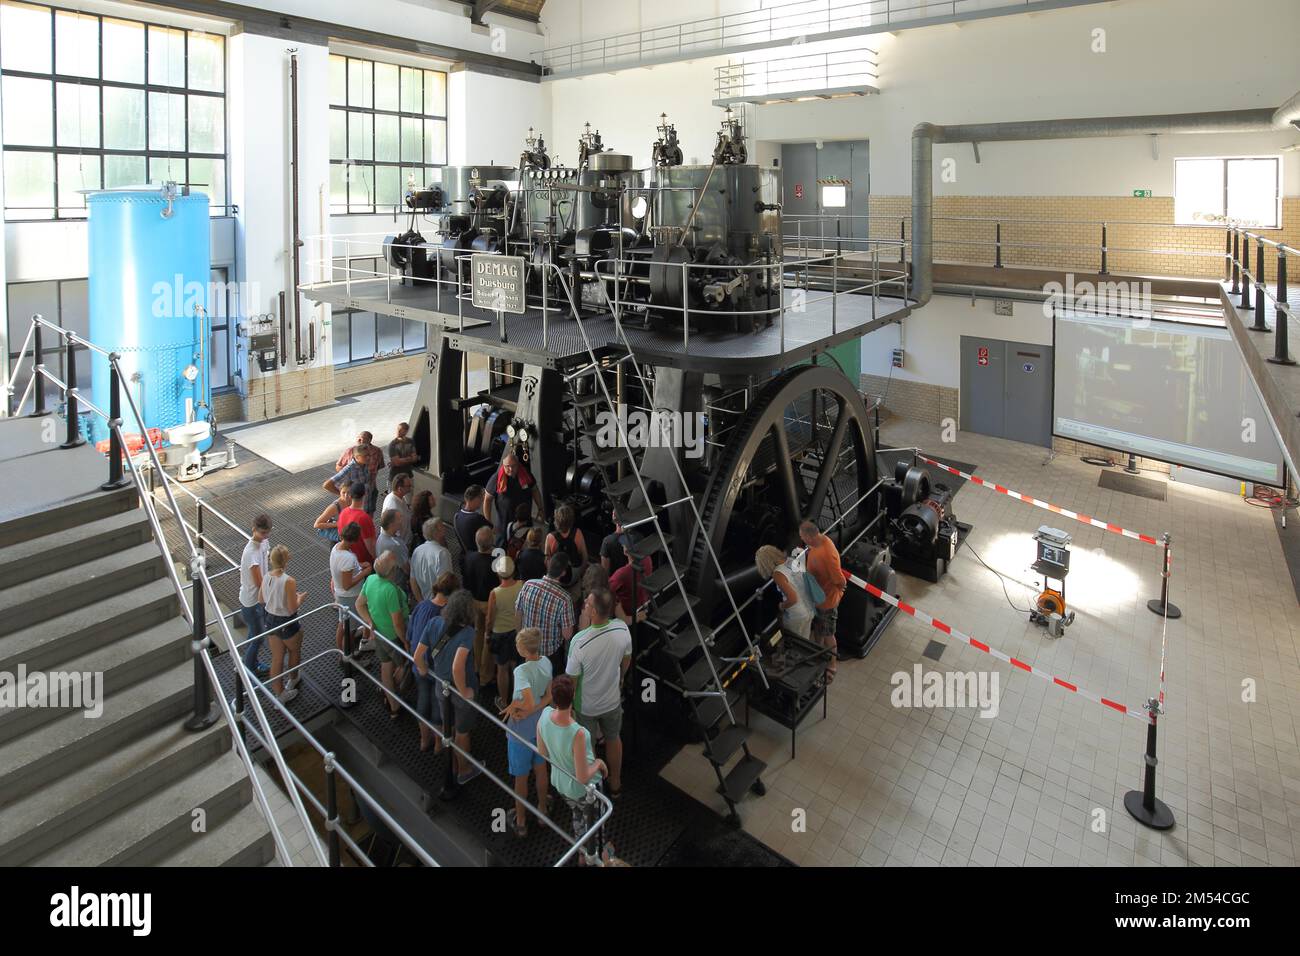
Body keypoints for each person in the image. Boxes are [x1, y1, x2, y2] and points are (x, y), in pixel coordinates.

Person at [566, 588, 631, 798]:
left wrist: (568, 709)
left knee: (588, 746)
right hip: (612, 701)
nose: (584, 602)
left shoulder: (579, 642)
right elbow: (626, 659)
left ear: (593, 612)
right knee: (613, 738)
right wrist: (620, 678)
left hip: (586, 706)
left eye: (587, 602)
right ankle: (616, 782)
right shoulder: (622, 630)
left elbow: (572, 681)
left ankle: (595, 787)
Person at [415, 589, 481, 796]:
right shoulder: (468, 633)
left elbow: (418, 656)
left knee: (447, 726)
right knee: (462, 731)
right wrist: (465, 691)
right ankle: (464, 770)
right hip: (458, 689)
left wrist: (424, 670)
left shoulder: (434, 623)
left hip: (439, 686)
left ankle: (452, 762)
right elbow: (457, 667)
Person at [536, 674, 607, 860]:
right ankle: (595, 855)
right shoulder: (578, 733)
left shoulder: (543, 715)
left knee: (577, 816)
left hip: (561, 785)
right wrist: (599, 763)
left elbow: (542, 752)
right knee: (596, 822)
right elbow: (583, 777)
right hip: (583, 788)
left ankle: (582, 854)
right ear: (573, 696)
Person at [500, 627, 551, 839]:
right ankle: (542, 809)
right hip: (539, 727)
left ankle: (520, 820)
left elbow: (528, 701)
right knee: (541, 769)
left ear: (523, 649)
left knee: (520, 776)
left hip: (521, 731)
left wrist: (520, 711)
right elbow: (548, 697)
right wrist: (526, 708)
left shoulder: (520, 671)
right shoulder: (546, 662)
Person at [357, 551, 409, 719]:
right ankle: (394, 691)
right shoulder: (391, 591)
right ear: (392, 572)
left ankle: (393, 703)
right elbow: (398, 623)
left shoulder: (371, 579)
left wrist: (370, 623)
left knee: (386, 666)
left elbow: (360, 604)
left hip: (380, 634)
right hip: (393, 637)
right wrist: (405, 642)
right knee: (404, 666)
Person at [408, 571, 457, 751]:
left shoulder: (421, 607)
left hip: (418, 665)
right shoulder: (444, 618)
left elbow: (411, 633)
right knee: (439, 705)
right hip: (436, 670)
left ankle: (424, 739)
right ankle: (438, 744)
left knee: (422, 700)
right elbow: (442, 647)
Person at [800, 520, 845, 683]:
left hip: (826, 603)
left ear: (810, 537)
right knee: (818, 631)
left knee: (828, 635)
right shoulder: (818, 543)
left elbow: (839, 580)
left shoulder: (828, 554)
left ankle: (832, 666)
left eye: (802, 537)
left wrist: (839, 593)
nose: (802, 540)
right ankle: (817, 656)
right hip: (818, 599)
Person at [516, 553, 576, 676]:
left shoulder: (528, 585)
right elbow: (567, 634)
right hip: (550, 655)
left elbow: (518, 614)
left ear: (548, 563)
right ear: (563, 573)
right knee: (548, 689)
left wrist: (520, 638)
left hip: (527, 648)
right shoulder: (564, 599)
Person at [262, 545, 308, 704]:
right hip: (287, 622)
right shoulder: (288, 581)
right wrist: (300, 598)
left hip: (270, 621)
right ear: (286, 560)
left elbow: (261, 600)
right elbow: (292, 608)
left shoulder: (266, 576)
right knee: (294, 651)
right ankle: (293, 678)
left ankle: (280, 694)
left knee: (277, 658)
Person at [463, 525, 499, 691]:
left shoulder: (468, 557)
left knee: (477, 634)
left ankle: (476, 667)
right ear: (491, 543)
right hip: (488, 604)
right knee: (488, 637)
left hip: (473, 601)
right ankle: (486, 676)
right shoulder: (495, 563)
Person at [237, 515, 273, 679]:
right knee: (257, 638)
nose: (265, 536)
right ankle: (248, 670)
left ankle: (251, 663)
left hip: (259, 598)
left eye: (267, 533)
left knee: (255, 634)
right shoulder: (251, 553)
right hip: (252, 602)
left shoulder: (264, 543)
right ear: (254, 530)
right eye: (262, 533)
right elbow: (259, 582)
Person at [754, 544, 815, 640]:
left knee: (794, 645)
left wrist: (781, 606)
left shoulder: (778, 574)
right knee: (804, 643)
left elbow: (793, 598)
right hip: (809, 608)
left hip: (796, 615)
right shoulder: (791, 561)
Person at [330, 522, 372, 661]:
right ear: (355, 539)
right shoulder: (348, 558)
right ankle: (349, 657)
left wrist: (359, 565)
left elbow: (344, 569)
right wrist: (364, 572)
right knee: (350, 630)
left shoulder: (336, 548)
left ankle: (341, 652)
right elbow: (347, 584)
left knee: (342, 624)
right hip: (350, 596)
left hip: (340, 594)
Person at [485, 554, 523, 708]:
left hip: (499, 634)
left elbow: (489, 619)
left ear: (498, 573)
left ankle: (504, 701)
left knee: (502, 669)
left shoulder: (495, 593)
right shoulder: (522, 584)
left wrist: (487, 633)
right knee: (516, 666)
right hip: (517, 632)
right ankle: (517, 698)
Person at [483, 451, 542, 547]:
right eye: (507, 466)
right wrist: (488, 521)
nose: (510, 469)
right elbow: (487, 500)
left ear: (518, 464)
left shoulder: (526, 474)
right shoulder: (496, 478)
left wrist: (540, 508)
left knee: (525, 547)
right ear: (503, 465)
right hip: (504, 525)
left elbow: (535, 490)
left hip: (525, 522)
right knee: (502, 551)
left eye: (513, 466)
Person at [335, 431, 385, 513]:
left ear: (370, 440)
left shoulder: (377, 451)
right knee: (353, 513)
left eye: (363, 439)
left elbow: (380, 466)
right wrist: (348, 477)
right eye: (359, 439)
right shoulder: (350, 451)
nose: (360, 441)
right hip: (354, 491)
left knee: (369, 510)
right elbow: (338, 466)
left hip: (371, 488)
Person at [609, 536, 652, 623]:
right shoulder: (648, 559)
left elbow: (606, 590)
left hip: (629, 615)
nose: (622, 546)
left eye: (623, 545)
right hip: (644, 606)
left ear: (626, 551)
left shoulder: (622, 574)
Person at [410, 517, 452, 603]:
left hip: (425, 601)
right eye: (441, 526)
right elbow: (446, 584)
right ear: (436, 533)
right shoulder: (442, 553)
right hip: (439, 603)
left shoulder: (417, 550)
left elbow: (413, 580)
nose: (444, 528)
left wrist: (421, 602)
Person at [338, 483, 376, 565]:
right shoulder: (364, 517)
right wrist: (376, 558)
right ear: (365, 495)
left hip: (349, 557)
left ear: (350, 496)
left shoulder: (343, 513)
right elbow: (370, 545)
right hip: (365, 561)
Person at [545, 503, 588, 569]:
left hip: (557, 572)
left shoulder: (550, 537)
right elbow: (585, 557)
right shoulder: (578, 533)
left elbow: (547, 559)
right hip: (574, 570)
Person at [454, 485, 493, 555]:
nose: (482, 501)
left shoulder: (457, 516)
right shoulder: (477, 518)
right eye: (481, 498)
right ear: (476, 499)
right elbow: (492, 530)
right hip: (477, 556)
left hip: (464, 555)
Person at [376, 507, 411, 584]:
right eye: (399, 519)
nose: (402, 521)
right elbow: (406, 568)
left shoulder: (380, 537)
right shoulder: (395, 545)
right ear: (391, 524)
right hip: (398, 582)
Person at [381, 473, 413, 542]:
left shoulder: (400, 497)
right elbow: (394, 532)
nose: (411, 487)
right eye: (409, 486)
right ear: (400, 489)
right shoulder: (393, 506)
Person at [387, 421, 419, 489]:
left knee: (409, 498)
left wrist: (401, 460)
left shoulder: (410, 441)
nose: (398, 431)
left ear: (406, 431)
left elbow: (415, 458)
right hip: (395, 477)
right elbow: (397, 462)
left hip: (408, 475)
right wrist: (410, 458)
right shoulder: (393, 444)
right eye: (398, 429)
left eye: (401, 430)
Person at [600, 507, 628, 575]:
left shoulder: (607, 542)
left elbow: (605, 571)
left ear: (614, 518)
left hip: (615, 579)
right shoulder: (637, 536)